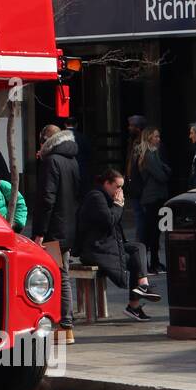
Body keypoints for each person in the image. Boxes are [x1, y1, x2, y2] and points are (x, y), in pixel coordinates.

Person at [75, 168, 161, 321]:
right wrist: (118, 206)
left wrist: (116, 206)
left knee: (139, 248)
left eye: (122, 187)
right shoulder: (96, 197)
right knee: (135, 260)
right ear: (107, 183)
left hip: (109, 245)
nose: (120, 190)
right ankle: (134, 305)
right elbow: (109, 221)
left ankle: (143, 285)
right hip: (96, 249)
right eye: (117, 186)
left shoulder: (106, 197)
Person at [33, 124, 82, 341]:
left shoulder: (52, 161)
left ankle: (65, 325)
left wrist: (39, 232)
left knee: (59, 276)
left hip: (54, 229)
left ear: (45, 141)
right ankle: (64, 324)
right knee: (62, 273)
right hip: (68, 225)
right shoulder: (71, 159)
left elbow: (47, 198)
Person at [136, 126, 172, 274]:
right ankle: (150, 264)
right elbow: (162, 175)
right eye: (156, 136)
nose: (159, 139)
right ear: (149, 137)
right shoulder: (149, 156)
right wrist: (165, 170)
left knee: (156, 231)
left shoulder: (154, 154)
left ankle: (154, 262)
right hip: (152, 197)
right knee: (151, 231)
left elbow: (166, 171)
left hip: (157, 196)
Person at [125, 114, 147, 247]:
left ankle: (142, 242)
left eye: (132, 126)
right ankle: (141, 242)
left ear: (138, 128)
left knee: (141, 216)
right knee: (138, 214)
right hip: (134, 185)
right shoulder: (133, 142)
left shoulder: (142, 143)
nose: (129, 128)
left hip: (141, 186)